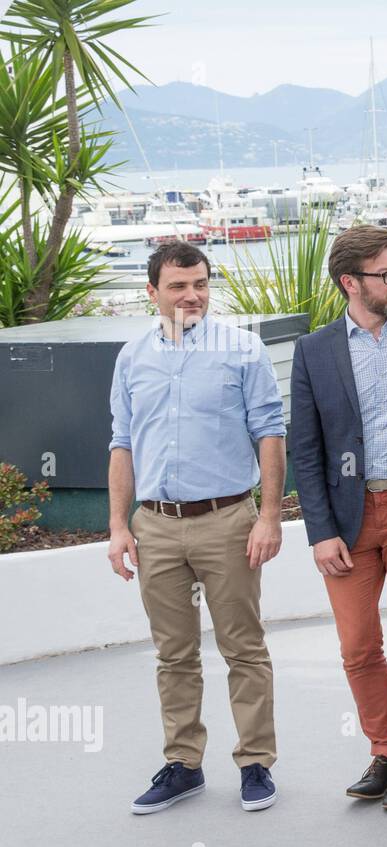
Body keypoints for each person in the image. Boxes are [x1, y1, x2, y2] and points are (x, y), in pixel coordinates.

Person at [108, 241, 286, 815]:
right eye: (180, 286)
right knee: (173, 653)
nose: (193, 295)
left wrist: (268, 516)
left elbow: (270, 434)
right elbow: (123, 443)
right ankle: (183, 765)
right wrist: (118, 525)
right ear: (153, 291)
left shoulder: (243, 350)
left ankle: (255, 763)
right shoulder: (132, 357)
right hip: (155, 525)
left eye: (201, 283)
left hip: (227, 520)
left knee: (244, 647)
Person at [290, 226, 387, 811]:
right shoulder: (315, 350)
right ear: (350, 283)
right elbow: (304, 449)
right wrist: (320, 531)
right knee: (358, 646)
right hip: (348, 517)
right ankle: (386, 750)